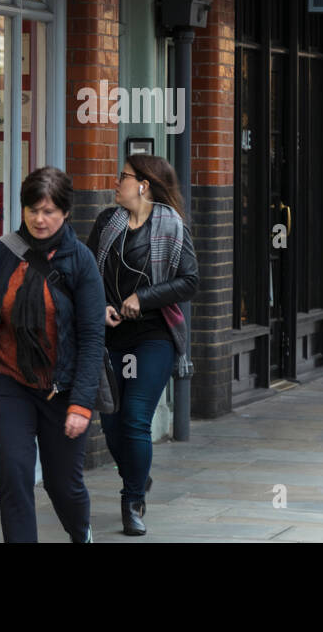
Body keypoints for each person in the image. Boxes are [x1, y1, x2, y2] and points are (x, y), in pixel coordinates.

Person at [0, 166, 107, 541]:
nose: (39, 219)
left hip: (64, 389)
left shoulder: (81, 261)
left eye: (49, 211)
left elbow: (91, 337)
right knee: (14, 474)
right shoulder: (1, 254)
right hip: (9, 381)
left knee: (63, 485)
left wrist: (82, 403)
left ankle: (81, 533)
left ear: (66, 212)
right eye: (32, 209)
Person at [87, 154, 198, 537]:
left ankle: (132, 502)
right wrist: (101, 306)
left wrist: (144, 298)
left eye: (124, 177)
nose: (117, 183)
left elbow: (189, 281)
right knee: (112, 421)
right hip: (112, 337)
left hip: (152, 337)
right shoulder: (107, 222)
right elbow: (87, 272)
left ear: (144, 185)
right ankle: (138, 474)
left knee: (134, 418)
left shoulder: (172, 226)